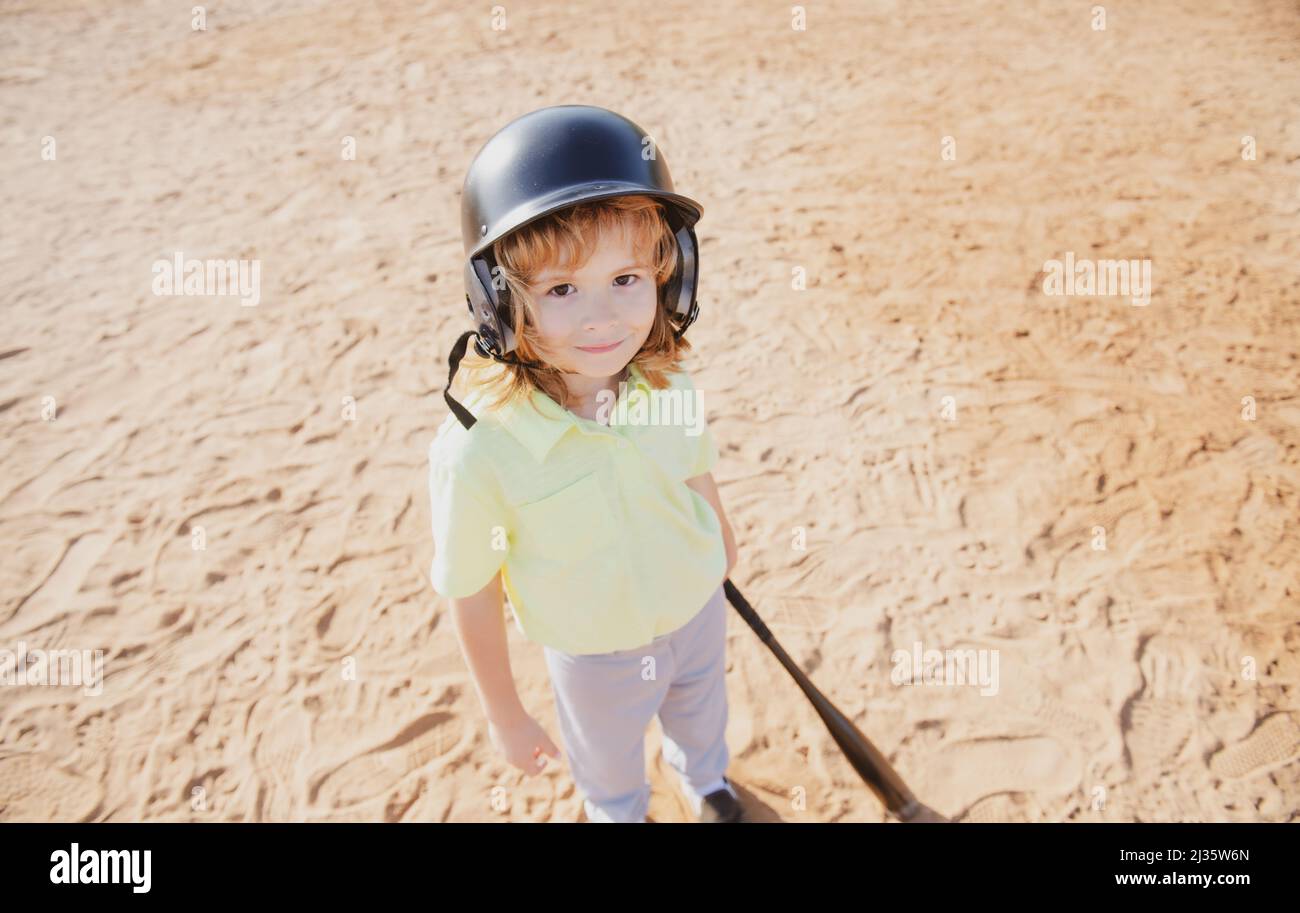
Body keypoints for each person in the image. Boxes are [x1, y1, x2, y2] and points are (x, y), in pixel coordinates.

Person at [427, 106, 745, 823]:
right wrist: (504, 712)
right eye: (562, 290)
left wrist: (719, 527)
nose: (603, 318)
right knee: (606, 764)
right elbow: (471, 589)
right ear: (501, 305)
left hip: (695, 606)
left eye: (628, 278)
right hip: (594, 652)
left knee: (702, 712)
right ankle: (619, 810)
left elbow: (691, 463)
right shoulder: (482, 449)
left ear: (674, 275)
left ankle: (703, 780)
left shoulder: (665, 380)